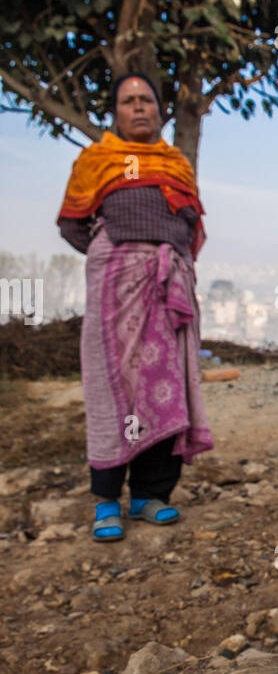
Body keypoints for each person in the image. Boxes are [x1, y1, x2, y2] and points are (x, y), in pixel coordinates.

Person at [57, 73, 213, 541]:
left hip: (170, 287)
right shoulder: (95, 160)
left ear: (160, 110)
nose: (139, 106)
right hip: (115, 283)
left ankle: (151, 494)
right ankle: (107, 499)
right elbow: (72, 224)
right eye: (128, 101)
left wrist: (164, 258)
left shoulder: (175, 163)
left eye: (147, 99)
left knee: (166, 384)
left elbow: (192, 222)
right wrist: (118, 255)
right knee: (114, 385)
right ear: (116, 112)